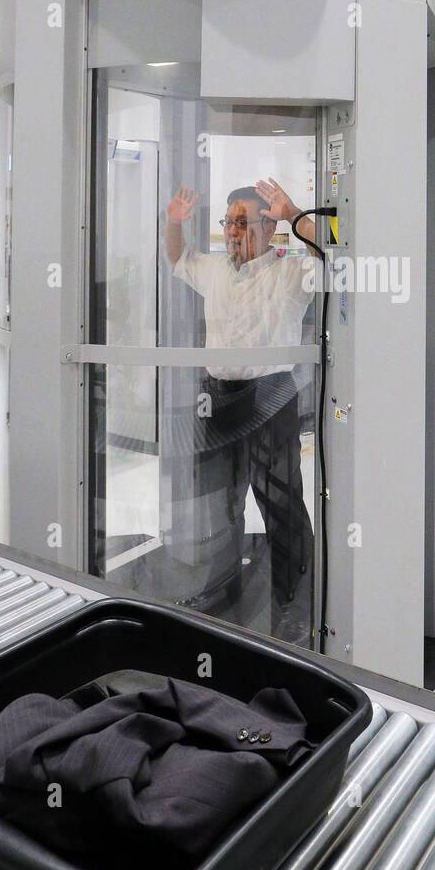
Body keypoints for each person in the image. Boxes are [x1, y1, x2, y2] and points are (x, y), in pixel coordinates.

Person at [165, 178, 317, 642]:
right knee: (220, 500)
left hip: (271, 396)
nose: (233, 231)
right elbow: (177, 257)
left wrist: (295, 214)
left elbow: (335, 254)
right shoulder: (214, 269)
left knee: (280, 502)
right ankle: (222, 588)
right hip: (218, 398)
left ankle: (296, 601)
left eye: (243, 222)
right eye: (228, 222)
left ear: (268, 229)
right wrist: (174, 223)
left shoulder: (290, 272)